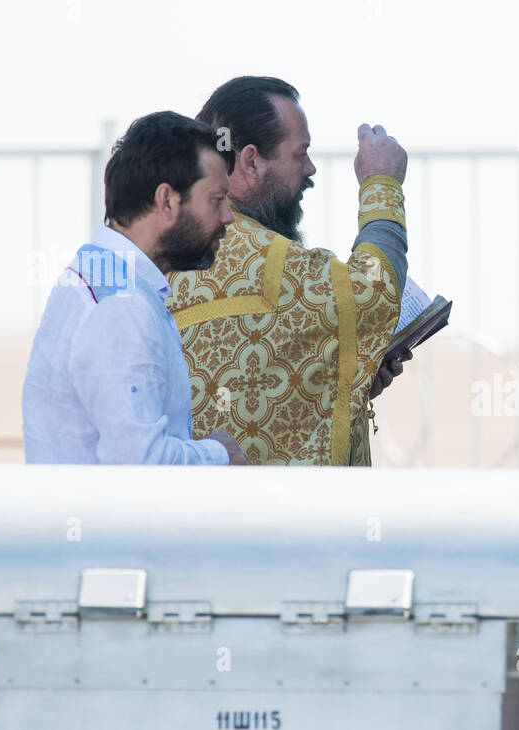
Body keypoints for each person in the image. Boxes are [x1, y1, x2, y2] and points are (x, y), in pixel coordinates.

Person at [166, 76, 408, 466]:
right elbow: (371, 291)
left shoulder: (167, 244)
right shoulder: (265, 256)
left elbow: (251, 375)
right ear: (250, 160)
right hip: (273, 519)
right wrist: (382, 184)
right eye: (300, 154)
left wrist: (342, 374)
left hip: (186, 514)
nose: (310, 168)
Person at [22, 112, 248, 466]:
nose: (227, 218)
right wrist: (220, 455)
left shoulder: (108, 279)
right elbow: (139, 464)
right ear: (167, 201)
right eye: (216, 200)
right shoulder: (120, 306)